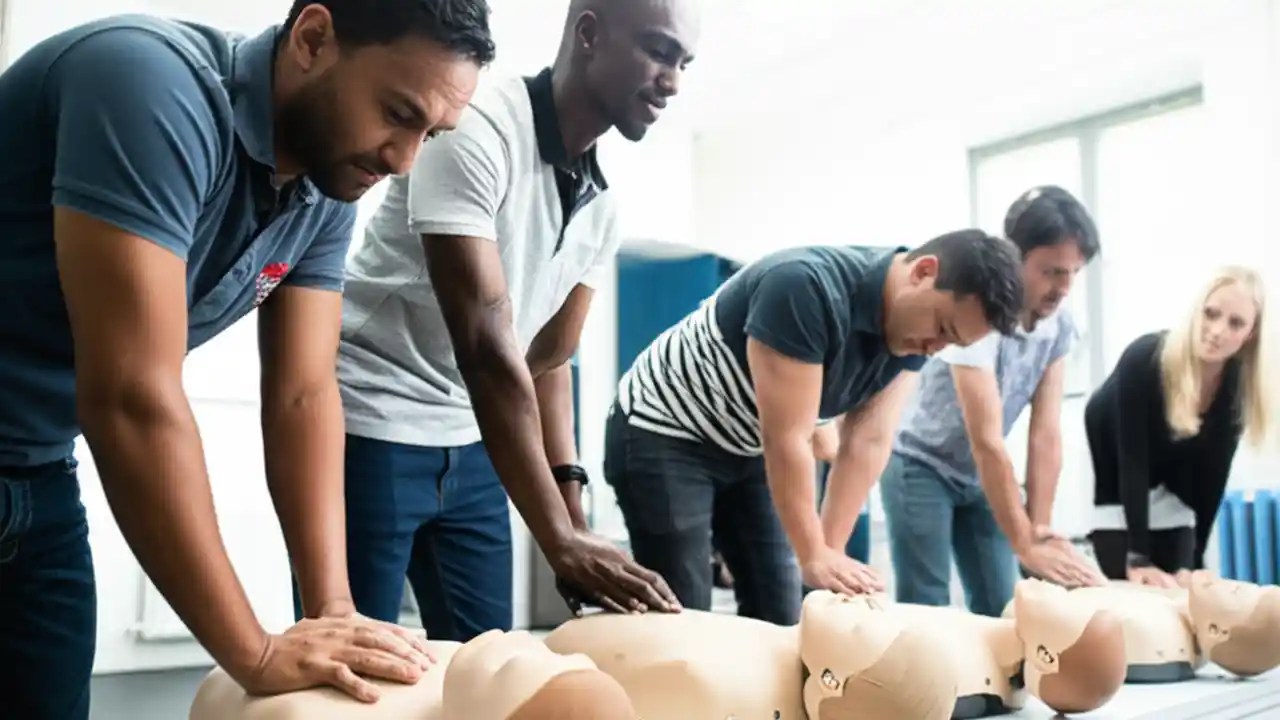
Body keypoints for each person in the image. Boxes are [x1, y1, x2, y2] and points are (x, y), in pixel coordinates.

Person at [0, 1, 495, 714]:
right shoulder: (147, 84)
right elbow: (132, 397)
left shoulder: (327, 187)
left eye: (430, 134)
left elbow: (303, 392)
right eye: (396, 112)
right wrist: (253, 652)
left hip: (37, 472)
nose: (403, 159)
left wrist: (333, 609)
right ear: (313, 38)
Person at [334, 0, 699, 640]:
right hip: (372, 422)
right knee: (359, 664)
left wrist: (574, 518)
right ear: (589, 33)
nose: (672, 81)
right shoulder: (473, 127)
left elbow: (549, 360)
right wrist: (555, 537)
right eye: (659, 52)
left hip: (472, 440)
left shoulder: (602, 208)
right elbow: (485, 344)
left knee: (490, 665)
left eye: (682, 63)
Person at [604, 231, 1025, 625]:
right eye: (942, 329)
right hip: (663, 431)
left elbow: (867, 441)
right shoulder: (804, 287)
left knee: (780, 609)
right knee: (685, 607)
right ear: (922, 272)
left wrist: (829, 553)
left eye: (952, 343)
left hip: (746, 448)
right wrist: (813, 553)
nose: (937, 348)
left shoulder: (913, 333)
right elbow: (788, 437)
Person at [882, 186, 1106, 618]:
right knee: (928, 606)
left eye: (1072, 273)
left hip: (981, 476)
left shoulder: (1059, 326)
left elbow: (1045, 433)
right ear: (1014, 256)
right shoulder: (977, 313)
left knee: (1002, 605)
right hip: (920, 464)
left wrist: (1037, 530)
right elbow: (985, 438)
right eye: (1050, 271)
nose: (1062, 288)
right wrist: (1022, 541)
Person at [1087, 265, 1274, 586]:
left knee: (1183, 586)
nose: (1217, 330)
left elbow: (1213, 479)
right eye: (1211, 314)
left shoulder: (1235, 390)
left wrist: (1195, 562)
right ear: (1196, 312)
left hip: (1171, 482)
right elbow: (1132, 460)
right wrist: (1138, 557)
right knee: (1134, 591)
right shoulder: (1144, 358)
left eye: (1235, 323)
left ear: (1250, 334)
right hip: (1111, 471)